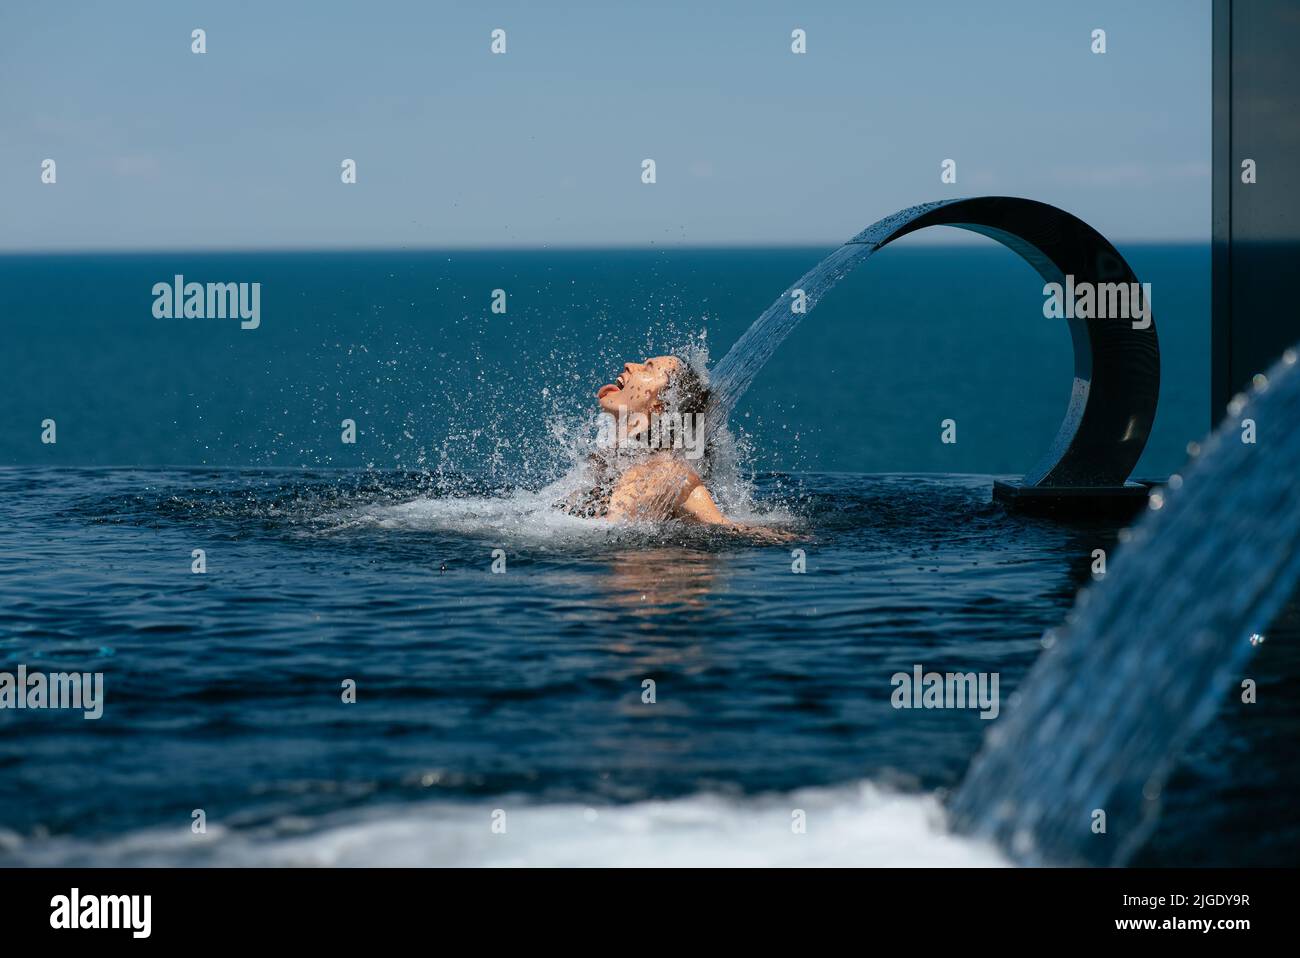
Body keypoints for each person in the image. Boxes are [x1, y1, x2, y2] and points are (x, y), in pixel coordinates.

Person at [561, 354, 791, 539]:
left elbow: (727, 529)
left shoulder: (671, 475)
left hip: (634, 589)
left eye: (648, 368)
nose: (629, 365)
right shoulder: (606, 462)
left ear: (660, 406)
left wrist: (789, 539)